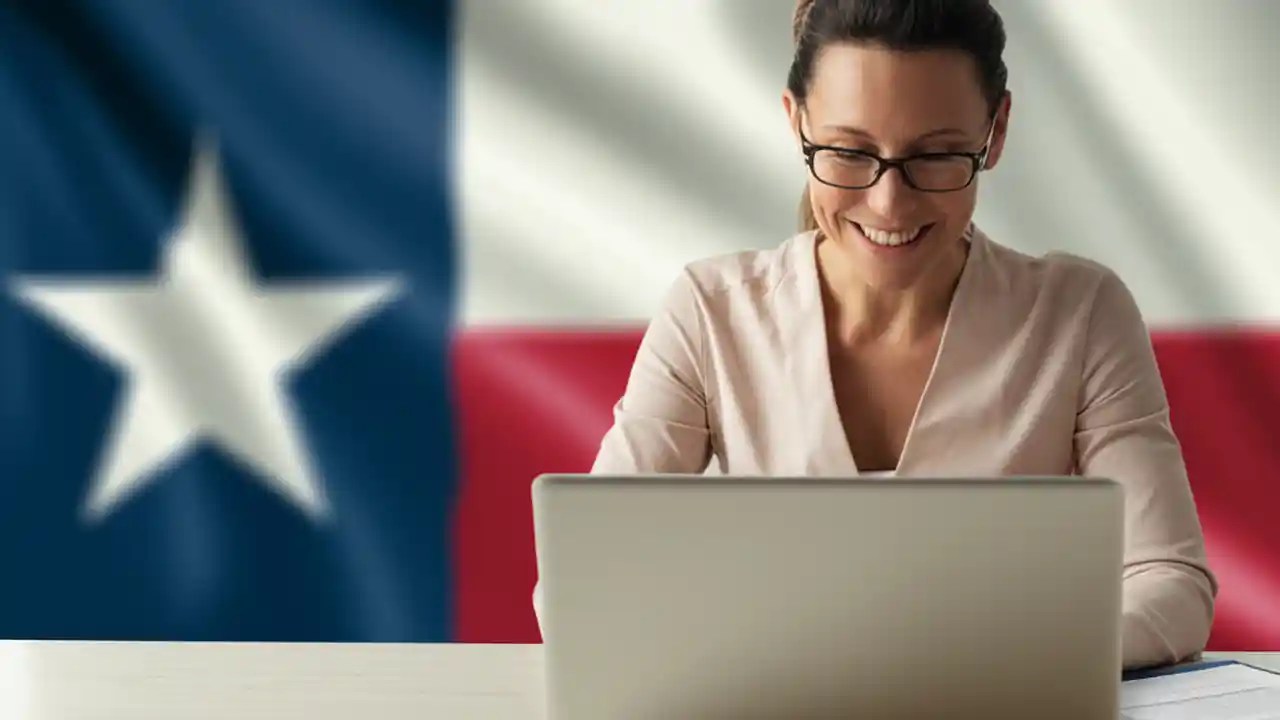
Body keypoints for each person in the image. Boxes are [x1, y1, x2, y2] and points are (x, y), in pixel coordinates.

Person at [538, 0, 1216, 670]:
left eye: (939, 155)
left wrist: (1011, 661)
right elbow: (583, 580)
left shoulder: (1080, 312)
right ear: (795, 122)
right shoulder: (712, 311)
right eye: (849, 152)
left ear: (996, 132)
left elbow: (1171, 582)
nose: (890, 203)